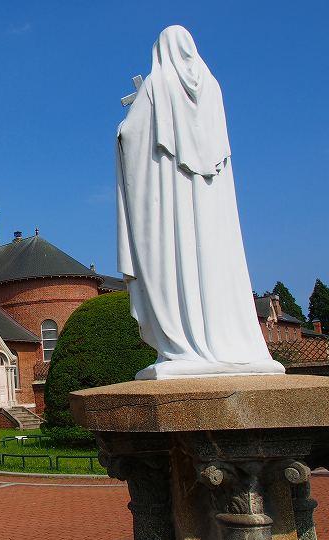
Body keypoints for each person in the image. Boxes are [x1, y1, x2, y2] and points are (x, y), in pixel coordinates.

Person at [116, 25, 284, 379]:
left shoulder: (156, 86)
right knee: (216, 264)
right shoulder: (212, 90)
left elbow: (131, 136)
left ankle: (184, 347)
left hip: (168, 202)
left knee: (173, 265)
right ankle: (233, 343)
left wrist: (122, 128)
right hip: (211, 204)